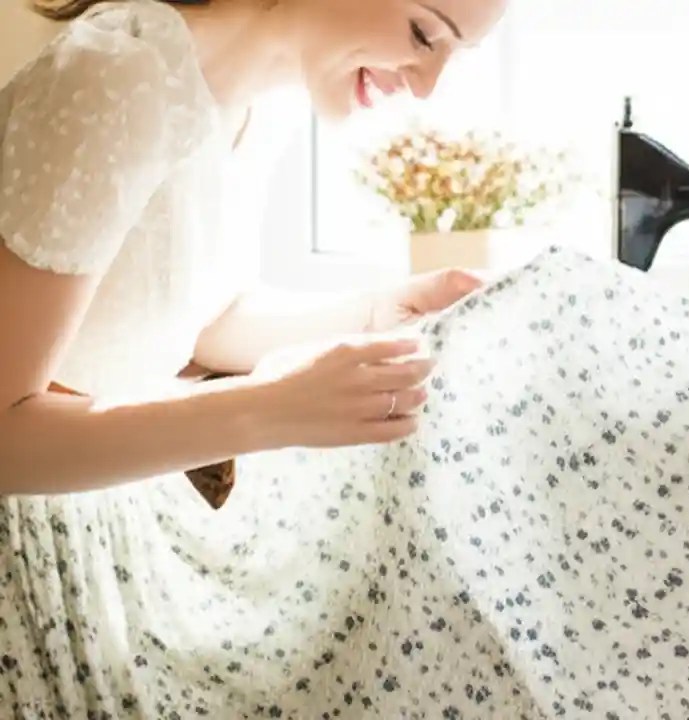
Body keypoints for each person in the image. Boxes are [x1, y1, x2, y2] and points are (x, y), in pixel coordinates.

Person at [0, 0, 508, 715]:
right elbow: (4, 434)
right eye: (423, 33)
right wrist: (266, 411)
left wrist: (381, 313)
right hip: (24, 556)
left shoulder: (252, 104)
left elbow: (196, 324)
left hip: (103, 534)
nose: (427, 84)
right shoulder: (118, 77)